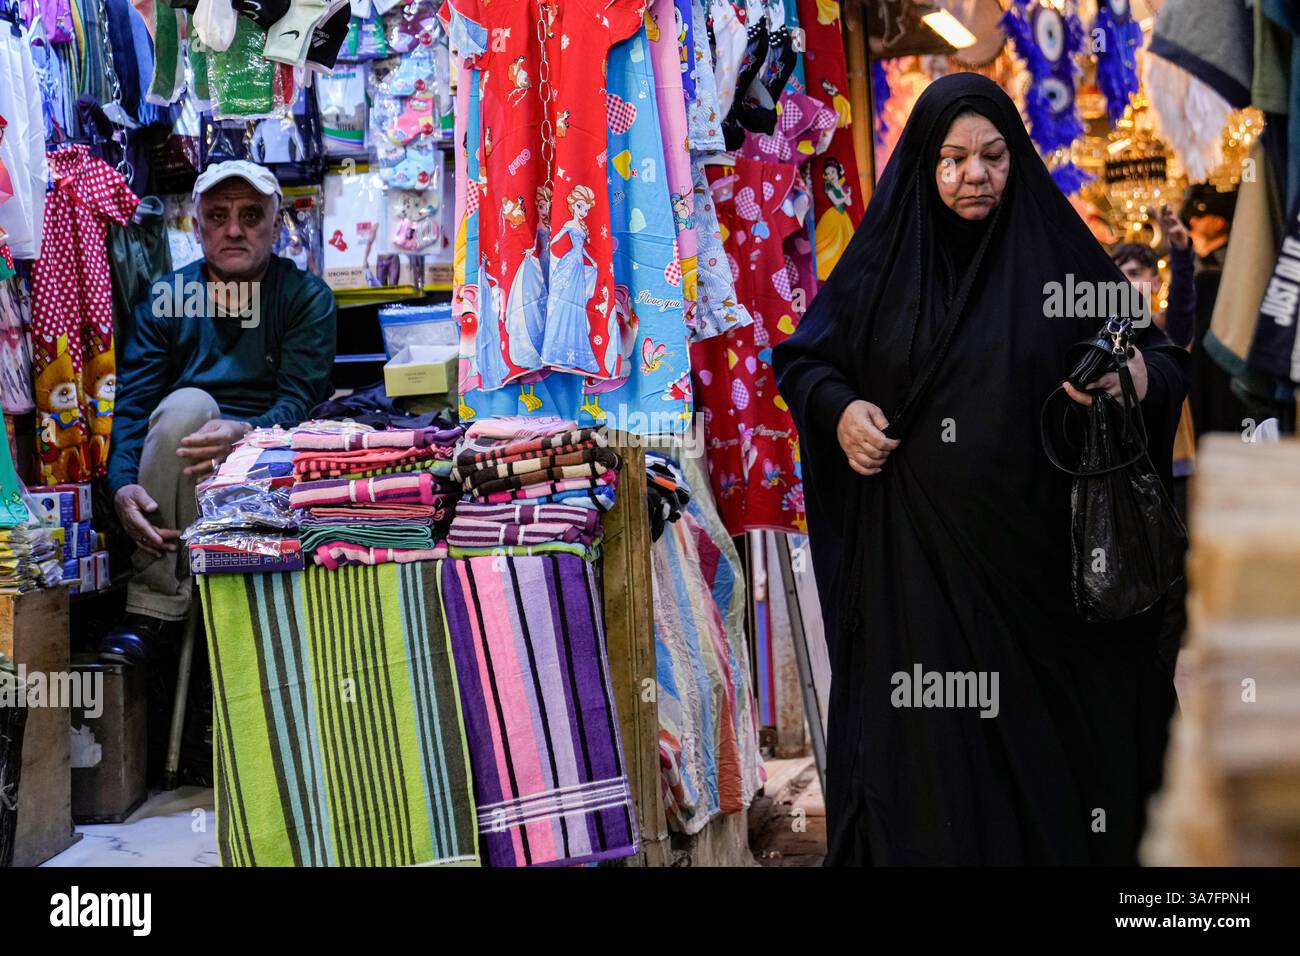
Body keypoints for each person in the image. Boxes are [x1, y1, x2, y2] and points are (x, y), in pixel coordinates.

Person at [773, 73, 1188, 865]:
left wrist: (1125, 380)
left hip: (1042, 580)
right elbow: (806, 361)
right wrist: (842, 412)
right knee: (932, 774)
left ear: (1016, 160)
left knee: (1050, 773)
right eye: (954, 159)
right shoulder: (884, 264)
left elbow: (1160, 362)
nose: (975, 176)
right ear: (925, 165)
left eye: (994, 157)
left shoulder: (1058, 260)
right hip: (914, 573)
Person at [100, 161, 337, 665]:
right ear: (197, 225)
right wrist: (121, 486)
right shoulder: (167, 298)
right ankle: (154, 607)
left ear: (277, 224)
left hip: (269, 466)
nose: (234, 229)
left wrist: (246, 434)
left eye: (251, 215)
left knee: (209, 415)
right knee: (189, 405)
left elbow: (299, 401)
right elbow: (134, 406)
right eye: (218, 215)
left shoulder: (305, 298)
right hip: (181, 471)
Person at [1112, 214, 1197, 682]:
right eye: (1120, 274)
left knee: (1175, 562)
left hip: (1176, 465)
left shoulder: (1162, 330)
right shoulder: (1104, 332)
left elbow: (1183, 316)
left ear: (1153, 281)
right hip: (1125, 469)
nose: (1129, 283)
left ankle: (1165, 660)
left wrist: (1183, 255)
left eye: (1137, 274)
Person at [1180, 183, 1245, 438]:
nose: (1193, 221)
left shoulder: (1229, 268)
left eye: (1201, 215)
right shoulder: (1197, 262)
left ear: (1218, 222)